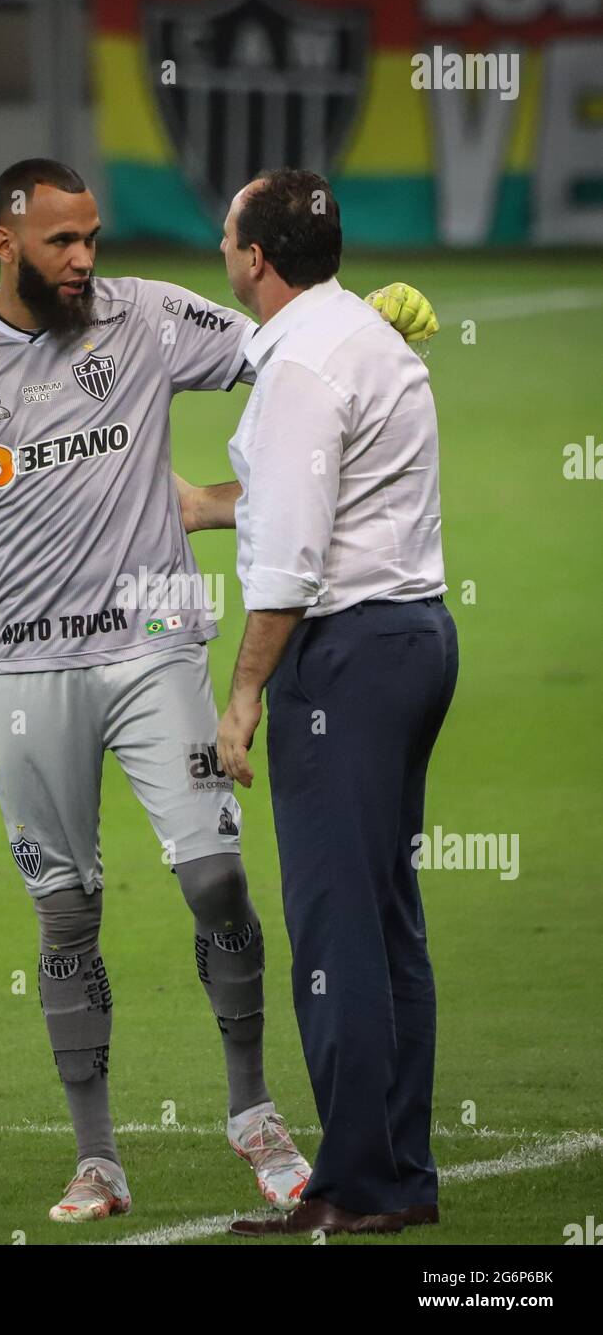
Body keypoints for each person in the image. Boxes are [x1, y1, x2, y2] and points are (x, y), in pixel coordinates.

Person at [0, 156, 436, 1224]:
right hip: (26, 672)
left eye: (92, 237)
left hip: (155, 645)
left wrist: (369, 321)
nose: (85, 260)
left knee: (216, 879)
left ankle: (253, 1115)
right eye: (61, 243)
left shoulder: (146, 319)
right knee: (65, 912)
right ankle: (97, 1159)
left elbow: (289, 351)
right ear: (6, 245)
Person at [180, 168, 457, 1238]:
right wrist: (195, 503)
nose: (220, 248)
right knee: (385, 925)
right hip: (411, 637)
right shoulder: (356, 333)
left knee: (336, 932)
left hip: (344, 657)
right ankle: (395, 1174)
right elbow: (305, 491)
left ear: (252, 258)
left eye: (225, 235)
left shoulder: (294, 364)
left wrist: (243, 691)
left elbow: (290, 564)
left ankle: (354, 1187)